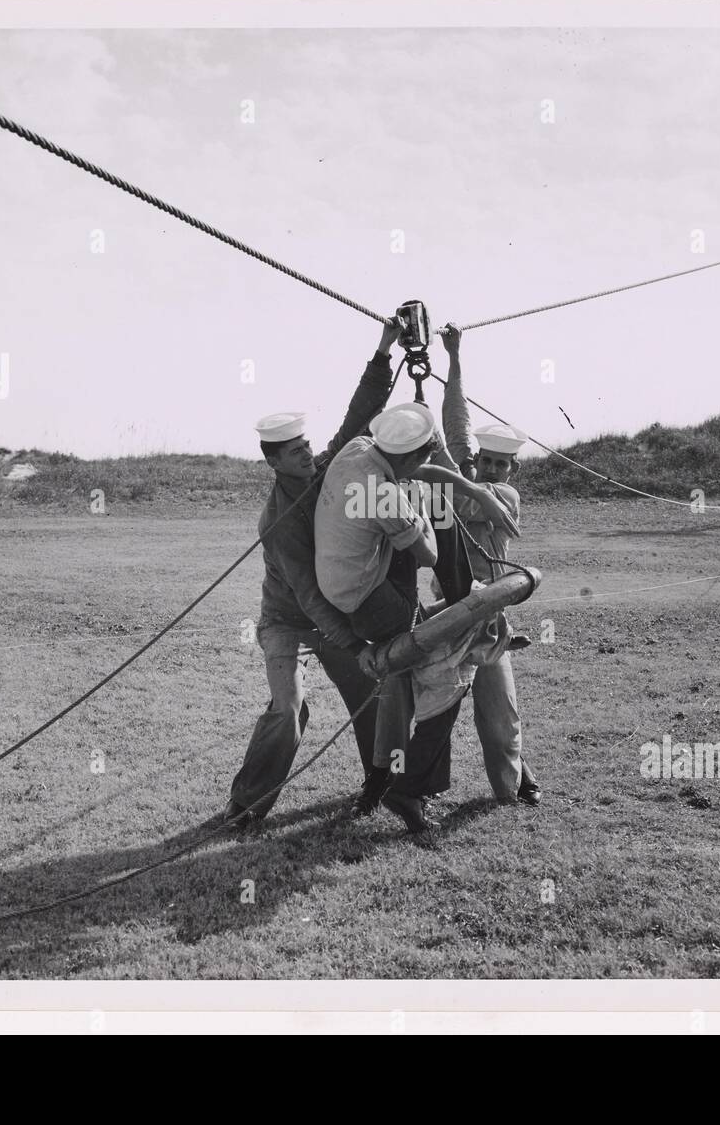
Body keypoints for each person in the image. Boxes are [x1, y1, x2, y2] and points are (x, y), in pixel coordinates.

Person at [222, 318, 401, 831]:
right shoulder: (277, 521)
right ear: (274, 463)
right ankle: (246, 807)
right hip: (290, 624)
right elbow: (308, 593)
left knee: (373, 693)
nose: (309, 452)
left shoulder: (325, 470)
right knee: (288, 710)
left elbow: (358, 418)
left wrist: (384, 350)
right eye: (296, 450)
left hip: (332, 618)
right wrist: (354, 640)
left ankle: (378, 784)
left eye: (307, 444)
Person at [315, 400, 519, 837]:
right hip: (377, 607)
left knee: (413, 677)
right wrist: (423, 510)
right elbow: (428, 554)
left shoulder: (357, 450)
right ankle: (406, 787)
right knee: (448, 672)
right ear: (409, 458)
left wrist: (475, 491)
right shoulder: (387, 495)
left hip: (346, 590)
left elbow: (423, 473)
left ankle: (398, 781)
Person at [436, 323, 542, 807]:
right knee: (433, 709)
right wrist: (453, 358)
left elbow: (462, 488)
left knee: (500, 713)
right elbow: (456, 421)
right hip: (447, 611)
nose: (493, 471)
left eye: (503, 465)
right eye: (487, 463)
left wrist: (440, 460)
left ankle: (514, 782)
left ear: (512, 470)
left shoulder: (501, 496)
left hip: (490, 616)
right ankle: (414, 786)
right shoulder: (468, 477)